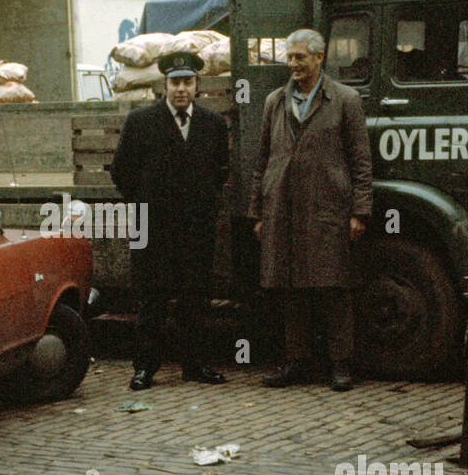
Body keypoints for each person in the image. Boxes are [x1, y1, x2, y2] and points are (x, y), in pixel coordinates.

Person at [250, 28, 371, 391]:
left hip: (326, 209)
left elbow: (361, 161)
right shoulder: (275, 101)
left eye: (300, 57)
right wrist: (258, 212)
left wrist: (359, 212)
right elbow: (262, 160)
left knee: (333, 288)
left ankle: (340, 365)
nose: (292, 65)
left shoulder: (345, 100)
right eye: (289, 58)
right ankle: (295, 362)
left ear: (319, 58)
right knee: (291, 289)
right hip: (283, 209)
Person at [111, 50, 229, 390]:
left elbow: (221, 170)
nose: (181, 89)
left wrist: (202, 205)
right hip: (153, 228)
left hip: (195, 229)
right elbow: (121, 172)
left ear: (197, 86)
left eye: (187, 82)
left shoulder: (212, 124)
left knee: (195, 298)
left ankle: (196, 365)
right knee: (152, 300)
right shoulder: (140, 122)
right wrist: (146, 204)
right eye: (175, 82)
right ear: (164, 86)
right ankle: (145, 368)